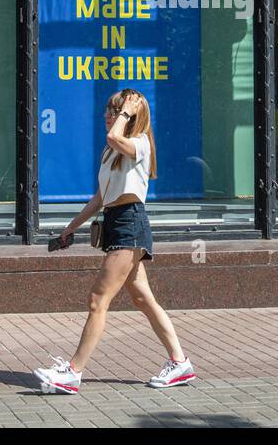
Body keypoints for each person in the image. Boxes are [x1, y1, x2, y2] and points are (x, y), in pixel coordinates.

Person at [34, 89, 195, 395]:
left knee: (98, 300)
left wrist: (125, 114)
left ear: (130, 116)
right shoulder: (112, 152)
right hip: (117, 222)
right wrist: (71, 227)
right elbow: (100, 197)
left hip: (130, 224)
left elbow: (114, 137)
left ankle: (72, 372)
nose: (107, 115)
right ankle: (180, 363)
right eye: (108, 110)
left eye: (114, 110)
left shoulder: (139, 144)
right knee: (142, 299)